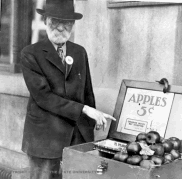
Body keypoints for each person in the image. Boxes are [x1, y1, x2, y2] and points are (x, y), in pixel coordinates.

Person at [20, 0, 116, 178]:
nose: (60, 28)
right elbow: (44, 97)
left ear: (73, 25)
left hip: (77, 137)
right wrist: (85, 110)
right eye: (55, 22)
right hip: (45, 139)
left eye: (67, 23)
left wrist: (92, 124)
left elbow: (87, 93)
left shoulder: (79, 52)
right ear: (45, 21)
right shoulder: (30, 54)